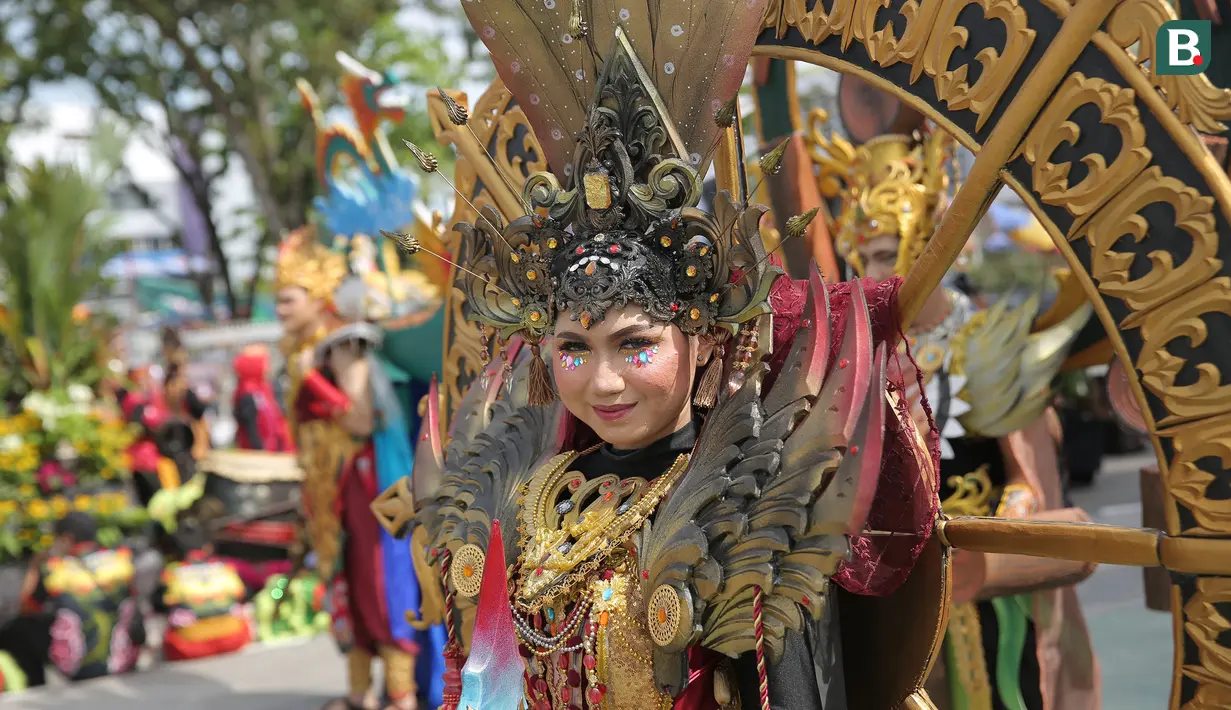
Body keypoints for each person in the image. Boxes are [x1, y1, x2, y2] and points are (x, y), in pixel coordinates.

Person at [383, 7, 944, 709]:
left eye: (634, 344)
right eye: (573, 350)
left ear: (703, 338)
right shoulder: (516, 502)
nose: (604, 381)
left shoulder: (747, 512)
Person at [816, 126, 1101, 710]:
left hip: (982, 591)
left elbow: (1028, 480)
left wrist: (992, 527)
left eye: (884, 253)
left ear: (928, 244)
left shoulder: (983, 344)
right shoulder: (853, 358)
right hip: (889, 592)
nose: (870, 273)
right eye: (861, 256)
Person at [274, 227, 446, 710]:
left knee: (378, 579)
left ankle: (401, 694)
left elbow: (360, 416)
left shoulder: (342, 342)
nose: (280, 309)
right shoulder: (299, 348)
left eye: (288, 299)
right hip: (329, 484)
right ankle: (359, 692)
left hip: (365, 478)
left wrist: (312, 377)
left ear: (316, 297)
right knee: (344, 579)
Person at [0, 513, 145, 688]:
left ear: (67, 538)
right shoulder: (121, 561)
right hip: (123, 662)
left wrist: (35, 565)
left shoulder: (55, 568)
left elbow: (25, 606)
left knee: (17, 627)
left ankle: (35, 684)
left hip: (78, 667)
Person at [155, 515, 251, 661]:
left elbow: (158, 604)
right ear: (208, 546)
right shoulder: (225, 567)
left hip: (188, 647)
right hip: (235, 639)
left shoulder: (171, 573)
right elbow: (245, 593)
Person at [232, 344, 294, 452]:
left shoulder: (263, 390)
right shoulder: (248, 394)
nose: (267, 367)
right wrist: (260, 451)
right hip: (261, 455)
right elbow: (251, 429)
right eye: (264, 362)